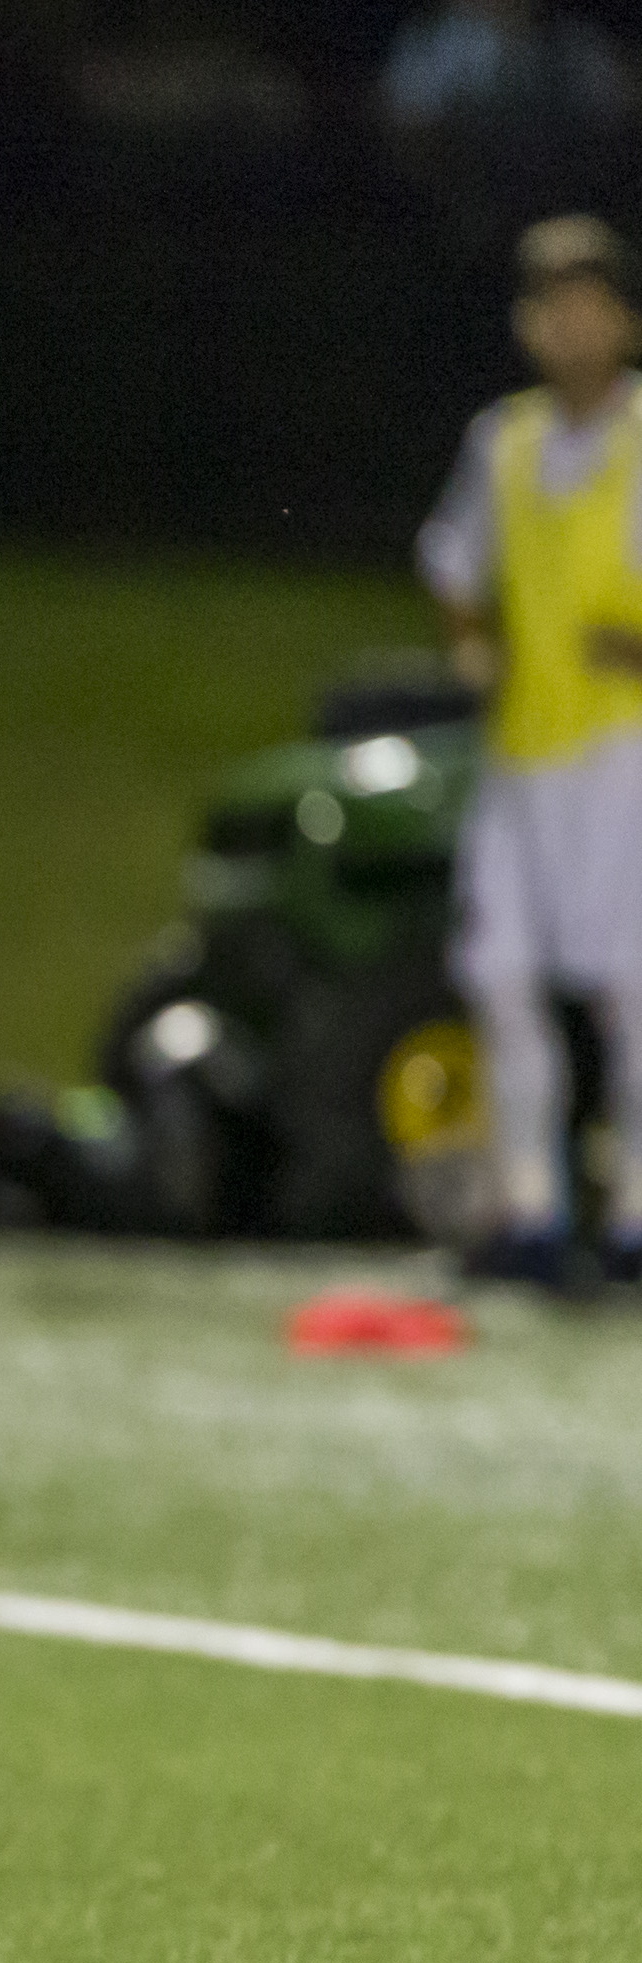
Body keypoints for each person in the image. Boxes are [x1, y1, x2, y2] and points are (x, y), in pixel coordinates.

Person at [417, 214, 642, 1286]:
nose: (572, 326)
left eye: (591, 305)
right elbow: (451, 563)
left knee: (632, 988)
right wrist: (472, 646)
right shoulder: (501, 442)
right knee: (498, 974)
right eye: (553, 307)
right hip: (522, 751)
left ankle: (634, 1217)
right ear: (527, 324)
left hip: (625, 754)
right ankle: (530, 1211)